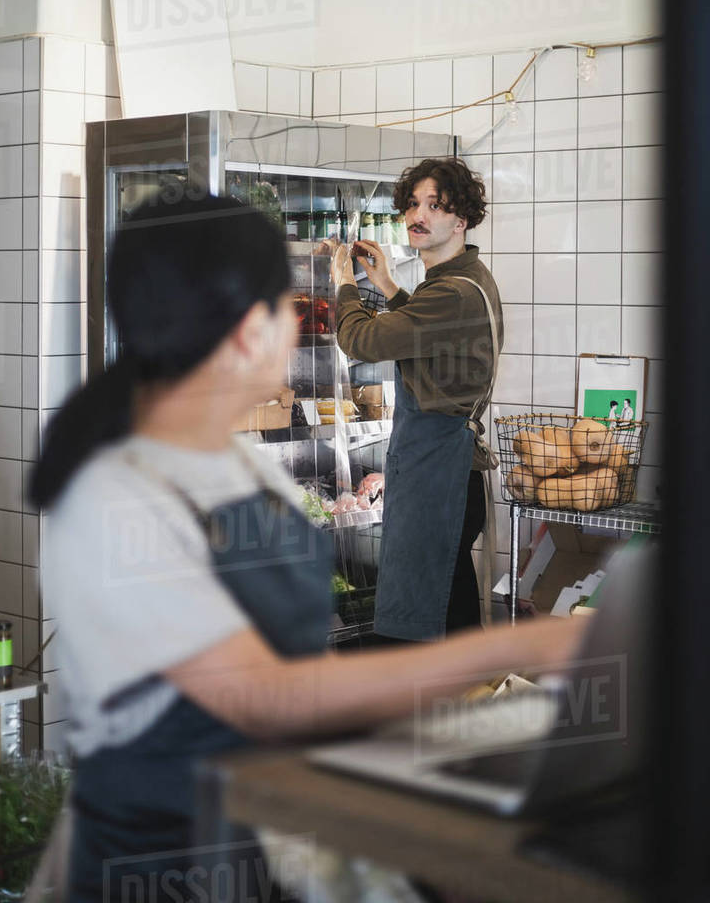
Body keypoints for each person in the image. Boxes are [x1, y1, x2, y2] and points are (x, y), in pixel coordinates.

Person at [34, 191, 576, 902]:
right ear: (245, 330)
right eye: (286, 308)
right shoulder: (116, 493)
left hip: (275, 827)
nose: (298, 327)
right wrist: (524, 649)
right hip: (164, 859)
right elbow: (267, 699)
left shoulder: (244, 468)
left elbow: (310, 670)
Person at [330, 157, 502, 642]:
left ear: (461, 220)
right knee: (451, 604)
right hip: (444, 469)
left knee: (427, 621)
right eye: (412, 204)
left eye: (435, 206)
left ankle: (436, 708)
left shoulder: (451, 293)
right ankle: (464, 705)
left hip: (438, 473)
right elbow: (428, 335)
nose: (417, 216)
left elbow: (363, 340)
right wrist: (386, 285)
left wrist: (345, 283)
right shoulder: (461, 281)